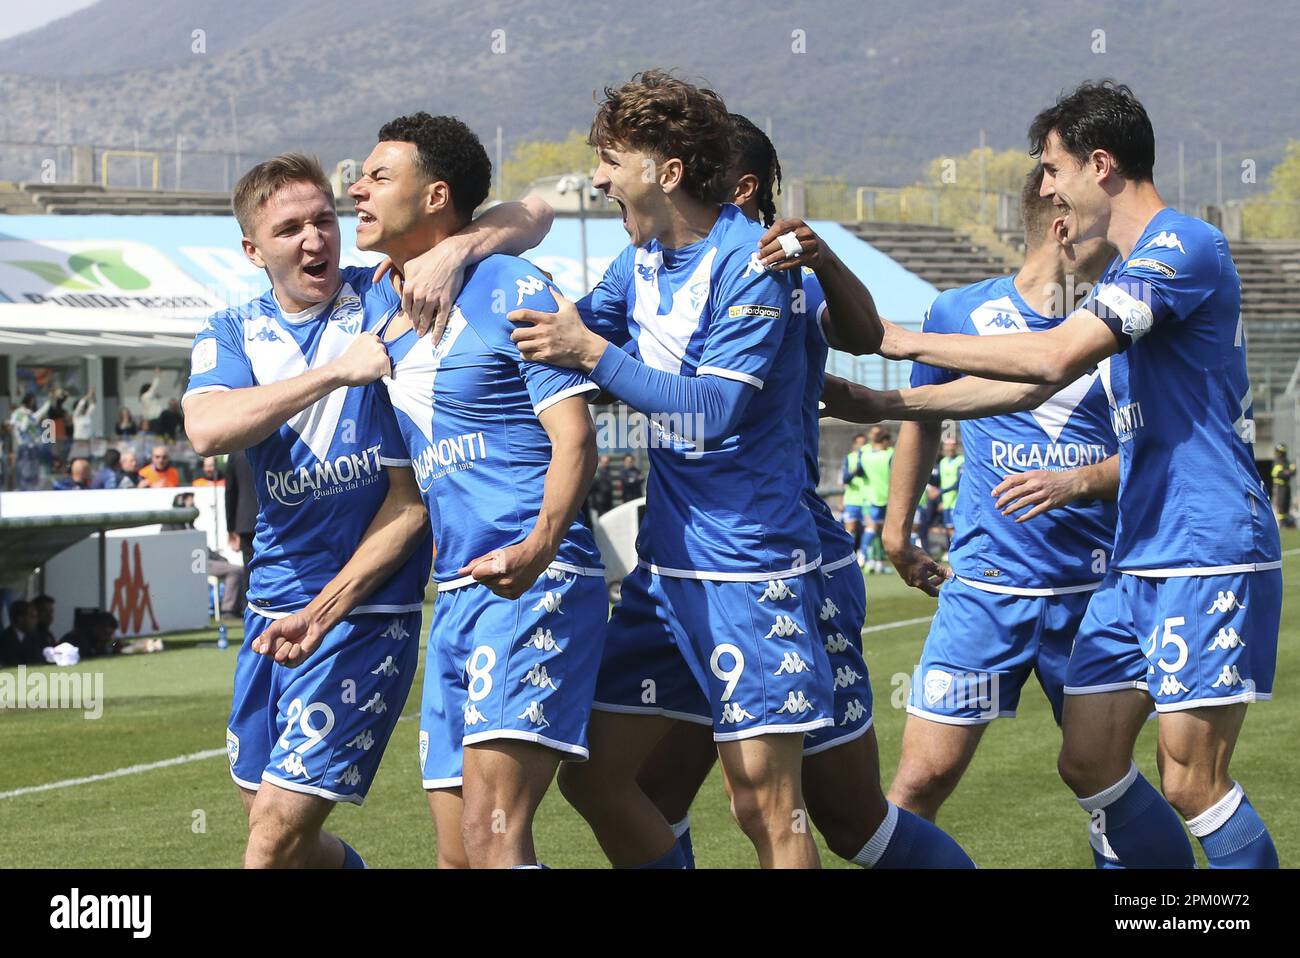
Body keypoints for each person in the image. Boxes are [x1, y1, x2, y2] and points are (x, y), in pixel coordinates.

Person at [879, 81, 1281, 868]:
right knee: (1089, 761)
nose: (1047, 187)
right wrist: (875, 394)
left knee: (1191, 781)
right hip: (1137, 559)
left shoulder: (1181, 245)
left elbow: (1053, 356)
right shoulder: (1131, 273)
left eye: (1054, 168)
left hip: (1204, 545)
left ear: (1100, 166)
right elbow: (1035, 382)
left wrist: (901, 340)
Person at [182, 150, 551, 870]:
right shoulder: (231, 330)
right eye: (290, 229)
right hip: (269, 607)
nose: (315, 239)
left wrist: (457, 251)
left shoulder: (383, 293)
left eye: (323, 220)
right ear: (252, 250)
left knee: (271, 843)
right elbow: (207, 429)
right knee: (278, 832)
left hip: (364, 613)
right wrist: (336, 372)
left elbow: (534, 210)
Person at [259, 114, 606, 870]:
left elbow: (577, 438)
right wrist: (320, 613)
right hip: (453, 596)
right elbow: (407, 499)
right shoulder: (374, 305)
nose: (356, 188)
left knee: (493, 837)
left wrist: (540, 546)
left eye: (380, 177)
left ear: (437, 195)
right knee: (456, 855)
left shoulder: (511, 283)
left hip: (532, 580)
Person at [510, 71, 835, 869]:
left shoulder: (751, 264)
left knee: (768, 807)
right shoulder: (643, 260)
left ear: (668, 171)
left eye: (611, 159)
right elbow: (570, 325)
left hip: (747, 567)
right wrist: (472, 258)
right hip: (666, 569)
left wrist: (589, 351)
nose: (597, 177)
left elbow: (708, 414)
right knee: (594, 773)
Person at [631, 113, 972, 869]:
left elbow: (859, 333)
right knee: (649, 793)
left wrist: (825, 260)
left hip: (786, 566)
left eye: (690, 169)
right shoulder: (668, 271)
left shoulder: (770, 273)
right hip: (688, 565)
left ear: (740, 188)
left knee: (838, 820)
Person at [860, 427, 894, 572]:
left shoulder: (865, 456)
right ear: (885, 441)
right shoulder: (889, 455)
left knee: (874, 529)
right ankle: (861, 554)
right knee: (873, 528)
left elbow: (858, 473)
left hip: (869, 495)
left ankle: (876, 561)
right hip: (884, 496)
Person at [7, 392, 47, 490]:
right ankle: (28, 488)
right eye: (33, 401)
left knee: (24, 469)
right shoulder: (25, 413)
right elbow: (25, 425)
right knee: (29, 469)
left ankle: (25, 488)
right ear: (30, 401)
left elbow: (12, 427)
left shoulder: (17, 413)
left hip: (25, 445)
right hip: (28, 445)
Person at [840, 432, 868, 560]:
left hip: (867, 499)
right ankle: (847, 555)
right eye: (859, 444)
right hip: (852, 500)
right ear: (855, 444)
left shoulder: (870, 458)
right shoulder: (849, 458)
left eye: (864, 444)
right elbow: (845, 479)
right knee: (850, 529)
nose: (862, 447)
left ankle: (865, 557)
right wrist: (855, 470)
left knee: (868, 530)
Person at [937, 436, 963, 553]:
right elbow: (940, 482)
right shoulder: (942, 462)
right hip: (946, 502)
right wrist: (940, 500)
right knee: (948, 529)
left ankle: (958, 553)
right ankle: (952, 552)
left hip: (957, 501)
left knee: (956, 529)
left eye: (952, 444)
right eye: (947, 445)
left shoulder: (961, 461)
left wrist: (940, 492)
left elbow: (958, 483)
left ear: (956, 446)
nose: (949, 447)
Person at [0, 600, 43, 666]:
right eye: (32, 617)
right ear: (20, 618)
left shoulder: (35, 638)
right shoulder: (5, 639)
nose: (36, 621)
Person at [1271, 444, 1295, 528]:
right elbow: (1276, 473)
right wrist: (1286, 472)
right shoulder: (1277, 462)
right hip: (1279, 487)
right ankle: (1281, 523)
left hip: (1286, 486)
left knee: (1286, 504)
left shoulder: (1286, 461)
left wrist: (1287, 472)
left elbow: (1293, 470)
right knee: (1280, 504)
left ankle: (1286, 522)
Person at [586, 454, 615, 518]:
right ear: (600, 462)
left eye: (607, 462)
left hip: (607, 499)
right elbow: (592, 486)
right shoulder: (597, 472)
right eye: (605, 462)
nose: (606, 464)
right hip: (599, 500)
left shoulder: (608, 471)